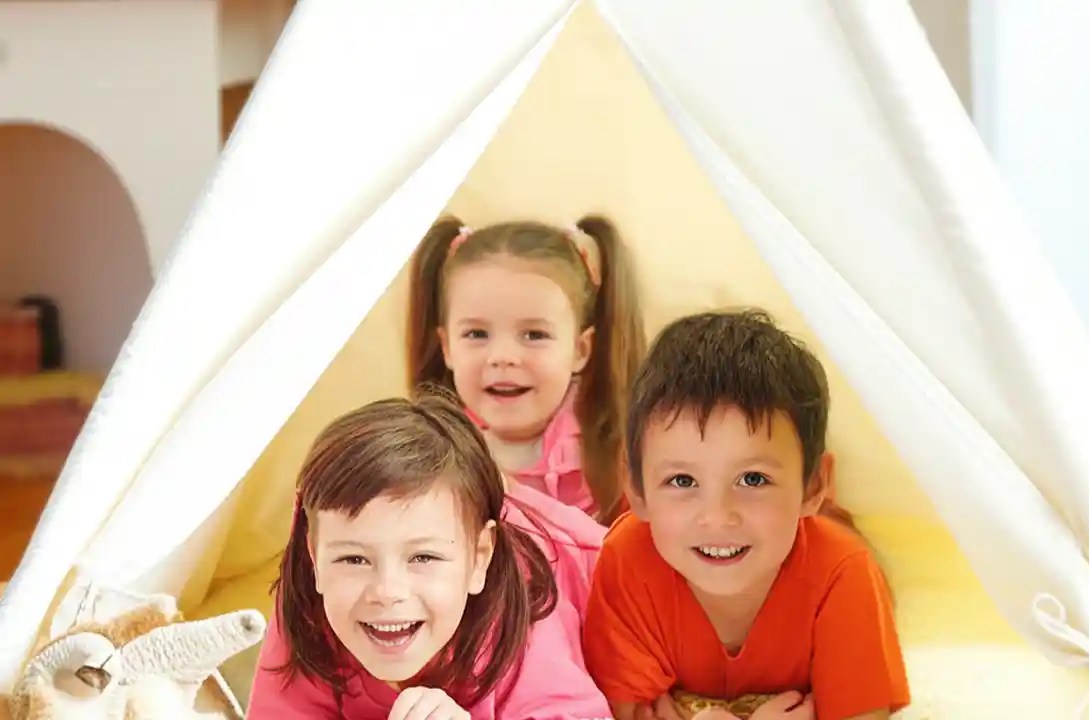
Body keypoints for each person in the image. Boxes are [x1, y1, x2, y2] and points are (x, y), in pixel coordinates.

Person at [583, 309, 911, 720]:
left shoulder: (843, 572)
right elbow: (620, 712)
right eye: (682, 481)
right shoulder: (625, 561)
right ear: (636, 487)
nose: (717, 517)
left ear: (814, 486)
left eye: (753, 479)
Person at [247, 385, 610, 719]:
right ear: (315, 557)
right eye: (354, 559)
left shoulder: (521, 614)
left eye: (423, 558)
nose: (387, 592)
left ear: (478, 560)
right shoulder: (305, 608)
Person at [408, 216, 645, 523]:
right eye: (477, 334)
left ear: (580, 350)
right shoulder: (427, 456)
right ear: (447, 347)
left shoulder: (621, 458)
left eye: (534, 335)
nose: (503, 357)